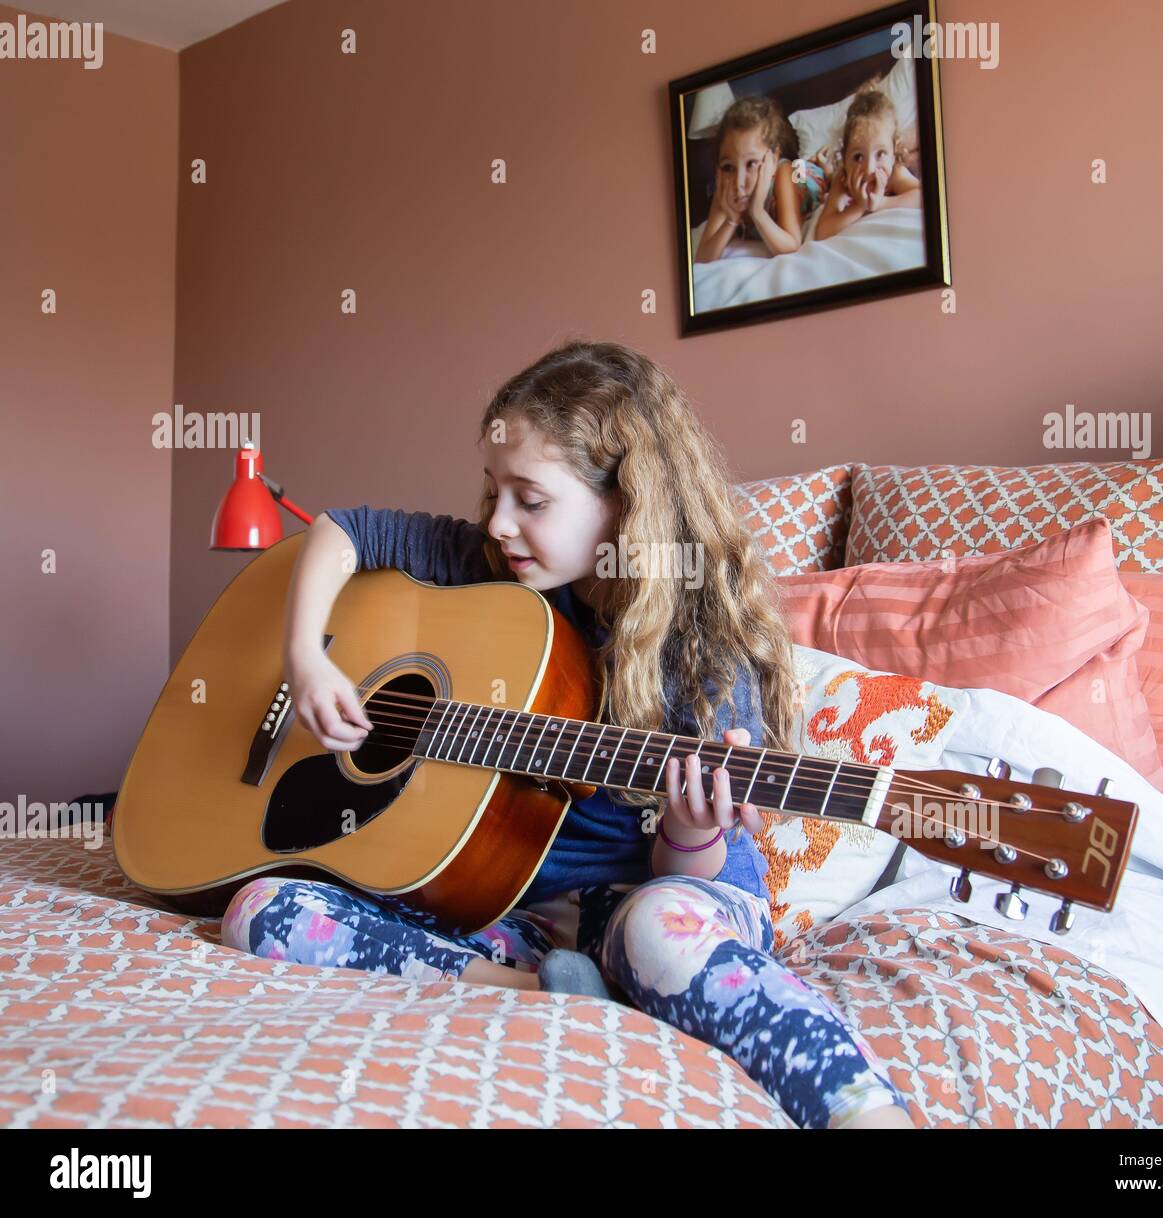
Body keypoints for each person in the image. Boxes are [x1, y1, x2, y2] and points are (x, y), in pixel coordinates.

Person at [220, 339, 915, 1130]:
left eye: (531, 500)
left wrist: (688, 828)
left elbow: (696, 861)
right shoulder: (493, 566)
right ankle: (555, 995)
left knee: (659, 932)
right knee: (263, 908)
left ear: (626, 502)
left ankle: (863, 1113)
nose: (500, 522)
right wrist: (306, 658)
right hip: (518, 911)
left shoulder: (701, 644)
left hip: (671, 892)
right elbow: (345, 530)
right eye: (493, 491)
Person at [694, 96, 827, 262]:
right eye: (729, 167)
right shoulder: (725, 189)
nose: (738, 182)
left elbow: (792, 246)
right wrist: (731, 220)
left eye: (751, 163)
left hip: (803, 182)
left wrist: (757, 211)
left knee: (807, 171)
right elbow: (702, 258)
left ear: (773, 158)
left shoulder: (782, 174)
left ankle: (820, 162)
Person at [811, 88, 921, 243]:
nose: (869, 168)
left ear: (893, 152)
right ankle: (824, 165)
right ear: (845, 156)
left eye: (881, 154)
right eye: (858, 157)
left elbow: (922, 197)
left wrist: (880, 203)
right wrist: (861, 206)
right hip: (836, 175)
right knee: (830, 177)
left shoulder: (895, 172)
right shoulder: (843, 179)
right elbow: (823, 232)